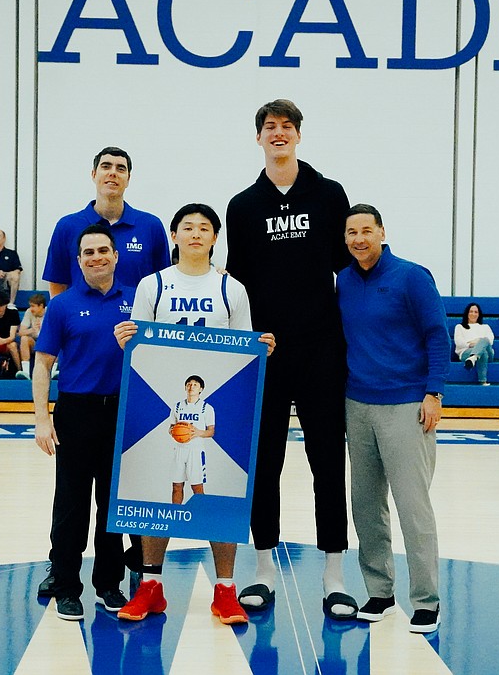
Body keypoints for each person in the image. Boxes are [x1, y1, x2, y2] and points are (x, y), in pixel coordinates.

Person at [112, 203, 275, 626]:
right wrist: (125, 337)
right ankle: (151, 585)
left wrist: (262, 349)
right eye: (188, 227)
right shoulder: (153, 285)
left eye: (205, 228)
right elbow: (138, 349)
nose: (196, 233)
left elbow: (244, 354)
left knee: (220, 492)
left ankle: (225, 590)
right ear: (175, 236)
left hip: (212, 401)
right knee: (157, 492)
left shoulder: (231, 289)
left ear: (215, 238)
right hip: (165, 400)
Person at [225, 99, 356, 619]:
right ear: (258, 138)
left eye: (286, 127)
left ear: (299, 135)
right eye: (269, 127)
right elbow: (238, 285)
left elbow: (348, 271)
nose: (278, 134)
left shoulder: (329, 194)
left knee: (328, 461)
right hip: (267, 353)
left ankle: (334, 576)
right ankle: (263, 570)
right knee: (265, 463)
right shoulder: (242, 205)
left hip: (323, 349)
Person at [337, 204, 449, 634]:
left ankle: (426, 601)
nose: (359, 239)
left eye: (367, 230)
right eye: (352, 232)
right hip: (357, 404)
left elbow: (437, 335)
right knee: (366, 506)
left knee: (412, 506)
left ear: (382, 233)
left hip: (407, 405)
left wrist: (434, 392)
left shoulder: (412, 277)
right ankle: (380, 592)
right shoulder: (344, 281)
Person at [33, 224, 134, 621]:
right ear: (78, 260)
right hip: (76, 412)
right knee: (71, 504)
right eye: (88, 252)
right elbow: (43, 365)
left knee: (113, 504)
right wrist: (42, 419)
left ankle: (109, 584)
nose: (96, 257)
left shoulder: (137, 300)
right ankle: (65, 586)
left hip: (121, 413)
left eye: (103, 250)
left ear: (116, 256)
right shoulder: (62, 305)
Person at [42, 146, 171, 297]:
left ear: (128, 179)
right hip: (81, 313)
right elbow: (57, 283)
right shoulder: (67, 226)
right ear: (94, 174)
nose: (113, 173)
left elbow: (163, 284)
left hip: (136, 313)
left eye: (120, 168)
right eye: (106, 166)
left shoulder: (151, 226)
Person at [453, 302, 496, 384]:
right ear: (467, 313)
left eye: (476, 312)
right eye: (471, 311)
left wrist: (478, 341)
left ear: (479, 314)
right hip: (466, 353)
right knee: (483, 352)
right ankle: (483, 381)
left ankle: (473, 358)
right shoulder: (459, 327)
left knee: (485, 340)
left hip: (488, 353)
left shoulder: (485, 327)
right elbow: (459, 342)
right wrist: (471, 344)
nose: (473, 314)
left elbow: (490, 341)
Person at [15, 292, 47, 380]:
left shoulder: (50, 312)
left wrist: (43, 329)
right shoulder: (29, 312)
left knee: (55, 340)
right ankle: (26, 372)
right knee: (24, 339)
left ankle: (52, 373)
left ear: (41, 306)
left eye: (33, 306)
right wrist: (32, 329)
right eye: (30, 306)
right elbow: (21, 332)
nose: (31, 309)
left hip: (47, 343)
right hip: (34, 343)